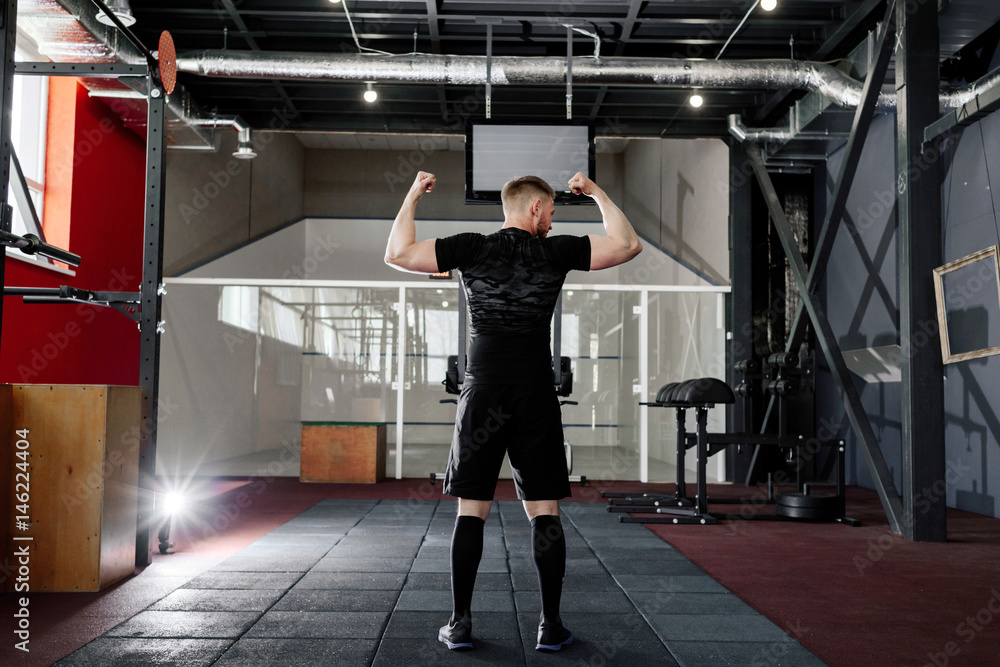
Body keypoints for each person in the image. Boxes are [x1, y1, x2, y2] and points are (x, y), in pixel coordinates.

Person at [384, 170, 642, 652]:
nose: (552, 221)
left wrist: (413, 193)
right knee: (544, 510)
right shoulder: (555, 251)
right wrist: (598, 193)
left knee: (471, 510)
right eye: (552, 211)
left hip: (482, 393)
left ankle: (459, 623)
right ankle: (550, 625)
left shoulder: (470, 248)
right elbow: (627, 245)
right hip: (534, 393)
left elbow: (396, 253)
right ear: (537, 208)